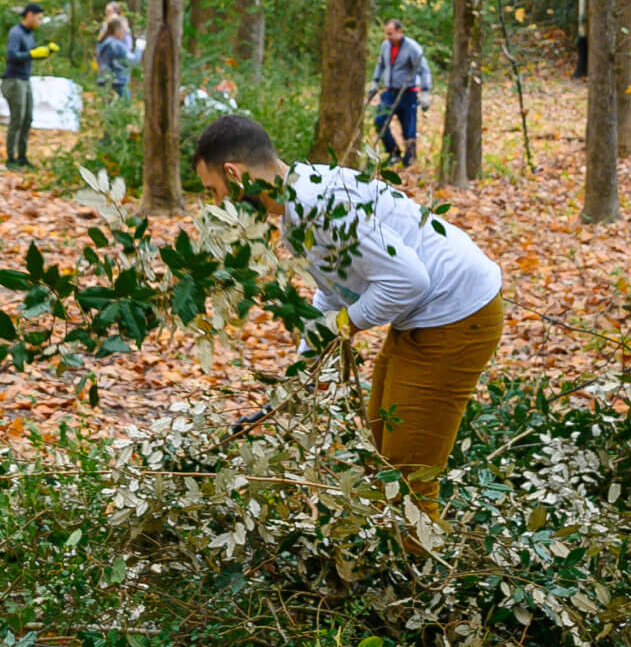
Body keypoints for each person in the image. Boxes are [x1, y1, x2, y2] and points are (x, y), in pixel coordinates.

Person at [192, 110, 504, 516]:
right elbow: (334, 292)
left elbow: (408, 281)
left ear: (234, 175)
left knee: (407, 484)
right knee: (382, 454)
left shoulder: (322, 205)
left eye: (214, 191)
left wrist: (342, 327)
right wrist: (304, 364)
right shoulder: (296, 206)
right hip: (423, 318)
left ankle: (416, 573)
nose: (218, 205)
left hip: (456, 313)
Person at [370, 18, 432, 163]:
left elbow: (424, 70)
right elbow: (381, 65)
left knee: (408, 129)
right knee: (380, 121)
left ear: (399, 31)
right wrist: (375, 82)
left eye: (391, 34)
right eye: (387, 34)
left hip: (408, 93)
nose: (388, 37)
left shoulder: (412, 47)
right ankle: (393, 152)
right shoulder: (385, 46)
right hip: (389, 93)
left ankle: (409, 160)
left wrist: (425, 92)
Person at [2, 1, 41, 169]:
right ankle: (11, 158)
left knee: (27, 119)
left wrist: (43, 53)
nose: (39, 21)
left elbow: (29, 54)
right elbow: (11, 55)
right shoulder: (16, 33)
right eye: (38, 18)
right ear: (30, 15)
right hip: (14, 80)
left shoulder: (30, 34)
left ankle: (22, 156)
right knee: (17, 119)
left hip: (26, 79)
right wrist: (31, 54)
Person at [96, 15, 132, 100]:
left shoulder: (103, 42)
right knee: (125, 108)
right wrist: (139, 48)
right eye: (124, 29)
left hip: (104, 80)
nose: (125, 32)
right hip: (118, 81)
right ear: (117, 29)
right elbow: (132, 60)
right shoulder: (116, 44)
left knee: (107, 109)